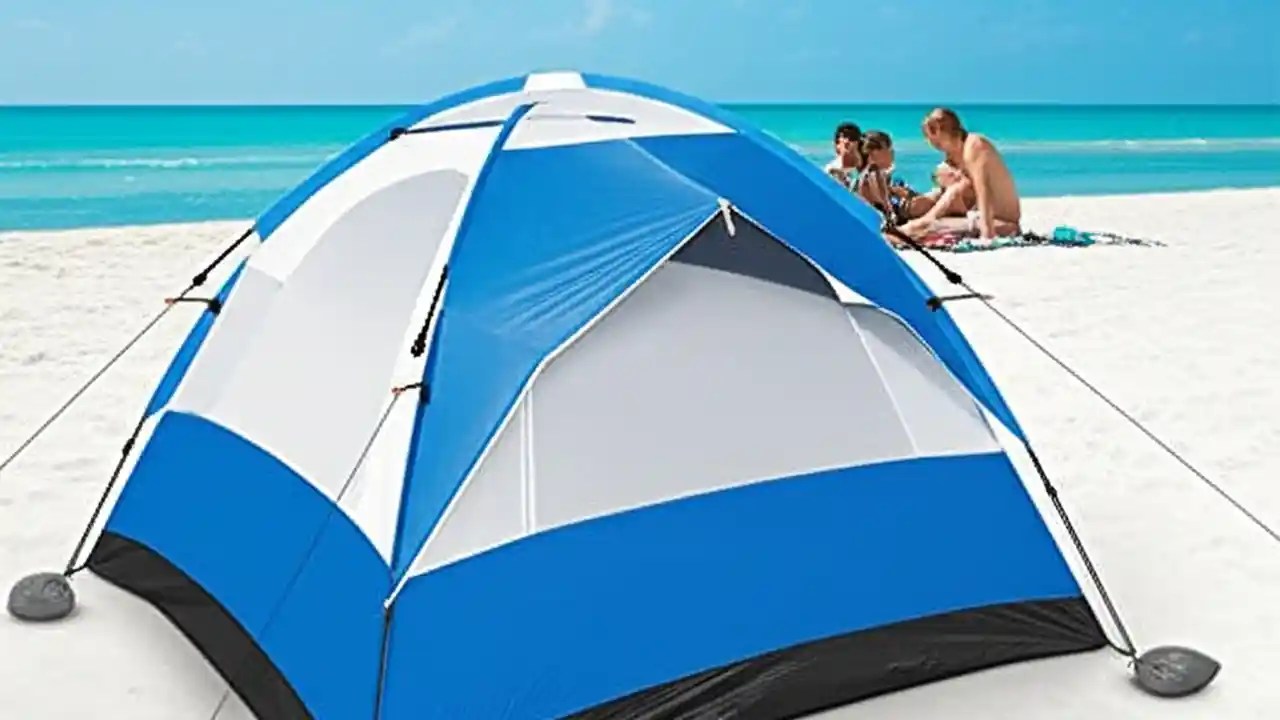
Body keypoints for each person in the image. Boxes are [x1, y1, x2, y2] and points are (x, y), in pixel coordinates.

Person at [900, 107, 1021, 239]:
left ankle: (907, 231)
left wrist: (987, 234)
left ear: (936, 130)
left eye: (928, 136)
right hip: (986, 219)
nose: (930, 143)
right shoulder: (962, 151)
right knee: (929, 223)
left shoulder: (975, 145)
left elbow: (984, 189)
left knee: (927, 228)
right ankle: (911, 228)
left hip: (1000, 224)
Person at [824, 122, 862, 190]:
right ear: (837, 143)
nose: (847, 141)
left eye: (852, 138)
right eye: (844, 137)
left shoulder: (864, 167)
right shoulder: (830, 169)